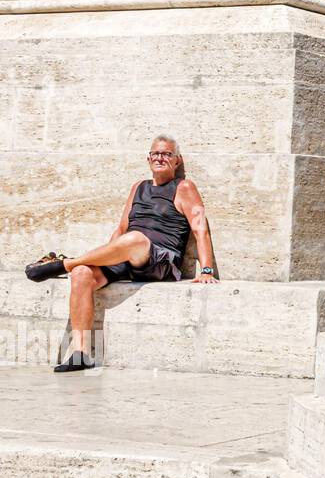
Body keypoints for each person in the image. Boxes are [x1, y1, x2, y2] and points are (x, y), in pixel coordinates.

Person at [24, 135, 217, 372]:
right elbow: (121, 229)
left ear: (177, 161)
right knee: (83, 273)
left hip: (161, 260)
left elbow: (200, 229)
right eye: (156, 153)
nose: (160, 158)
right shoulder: (138, 187)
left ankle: (66, 263)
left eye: (167, 154)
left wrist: (207, 269)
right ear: (148, 158)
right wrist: (105, 260)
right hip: (128, 254)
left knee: (135, 239)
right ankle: (81, 352)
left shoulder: (184, 187)